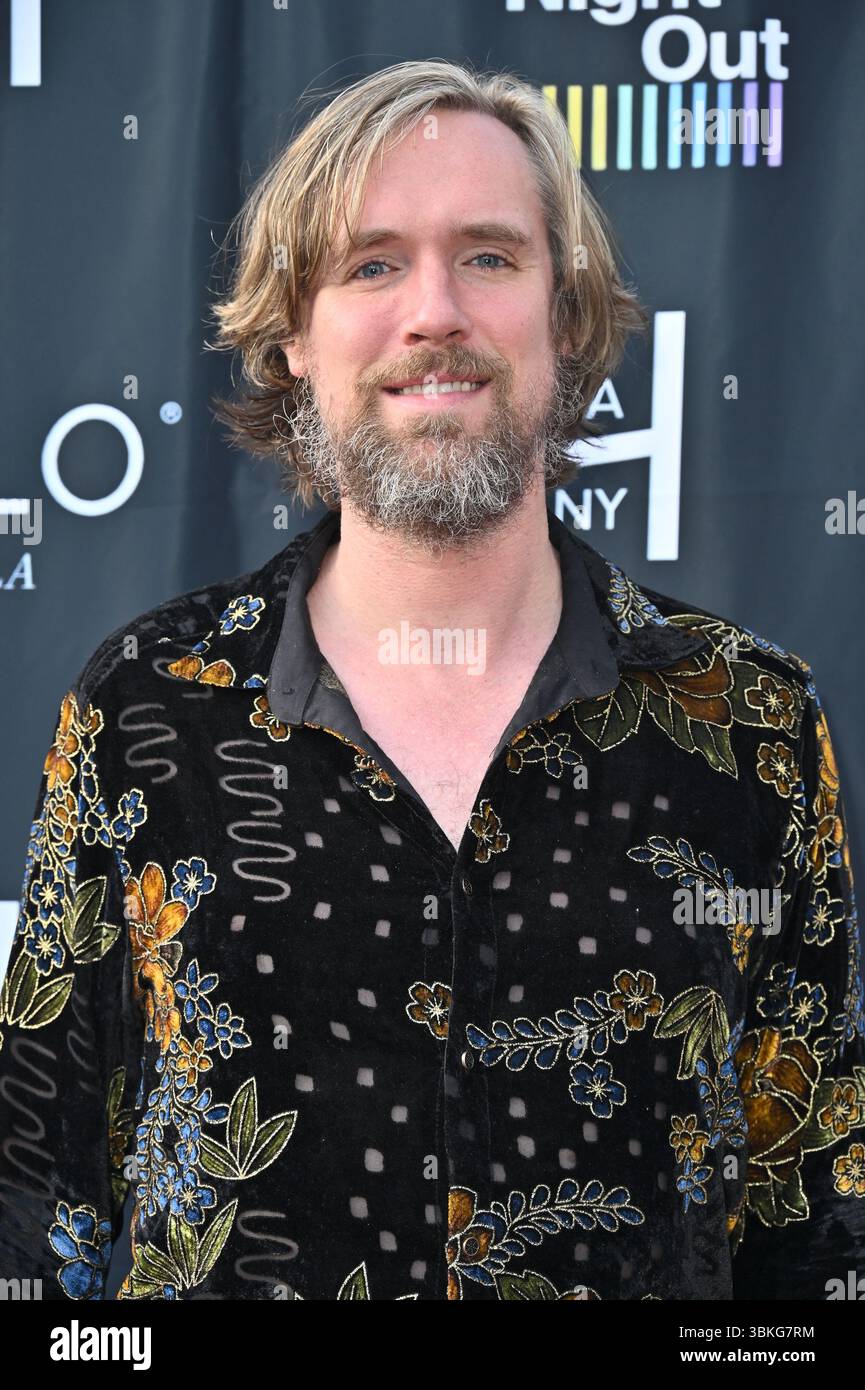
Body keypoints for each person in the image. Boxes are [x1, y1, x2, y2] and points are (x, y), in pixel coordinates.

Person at [0, 59, 862, 1302]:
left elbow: (817, 1213)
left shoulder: (753, 724)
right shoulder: (146, 708)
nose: (433, 312)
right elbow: (39, 1187)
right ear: (291, 336)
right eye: (371, 263)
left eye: (491, 257)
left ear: (564, 320)